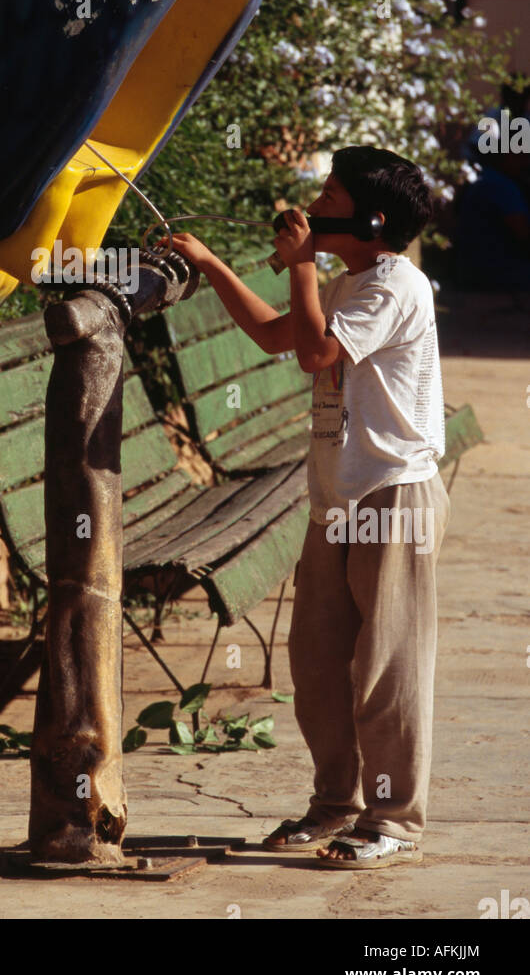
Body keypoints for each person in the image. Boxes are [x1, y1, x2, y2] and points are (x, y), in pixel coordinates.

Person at [167, 146, 449, 869]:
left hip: (394, 496)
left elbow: (317, 355)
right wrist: (208, 264)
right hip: (339, 501)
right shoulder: (354, 281)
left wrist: (300, 264)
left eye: (327, 198)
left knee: (386, 666)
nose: (312, 206)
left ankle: (395, 820)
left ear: (370, 218)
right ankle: (336, 805)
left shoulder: (394, 286)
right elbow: (274, 334)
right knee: (319, 662)